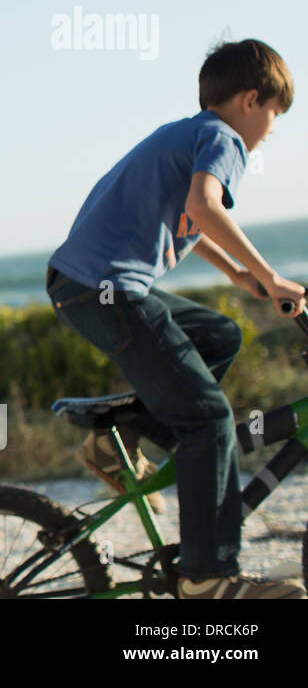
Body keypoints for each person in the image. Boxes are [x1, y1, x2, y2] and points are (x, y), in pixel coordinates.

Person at [46, 37, 306, 599]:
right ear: (251, 99)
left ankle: (125, 437)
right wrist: (273, 275)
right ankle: (206, 576)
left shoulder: (186, 133)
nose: (272, 132)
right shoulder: (223, 137)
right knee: (210, 420)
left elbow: (186, 217)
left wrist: (240, 274)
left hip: (88, 286)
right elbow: (203, 208)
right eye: (275, 116)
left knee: (220, 334)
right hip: (105, 288)